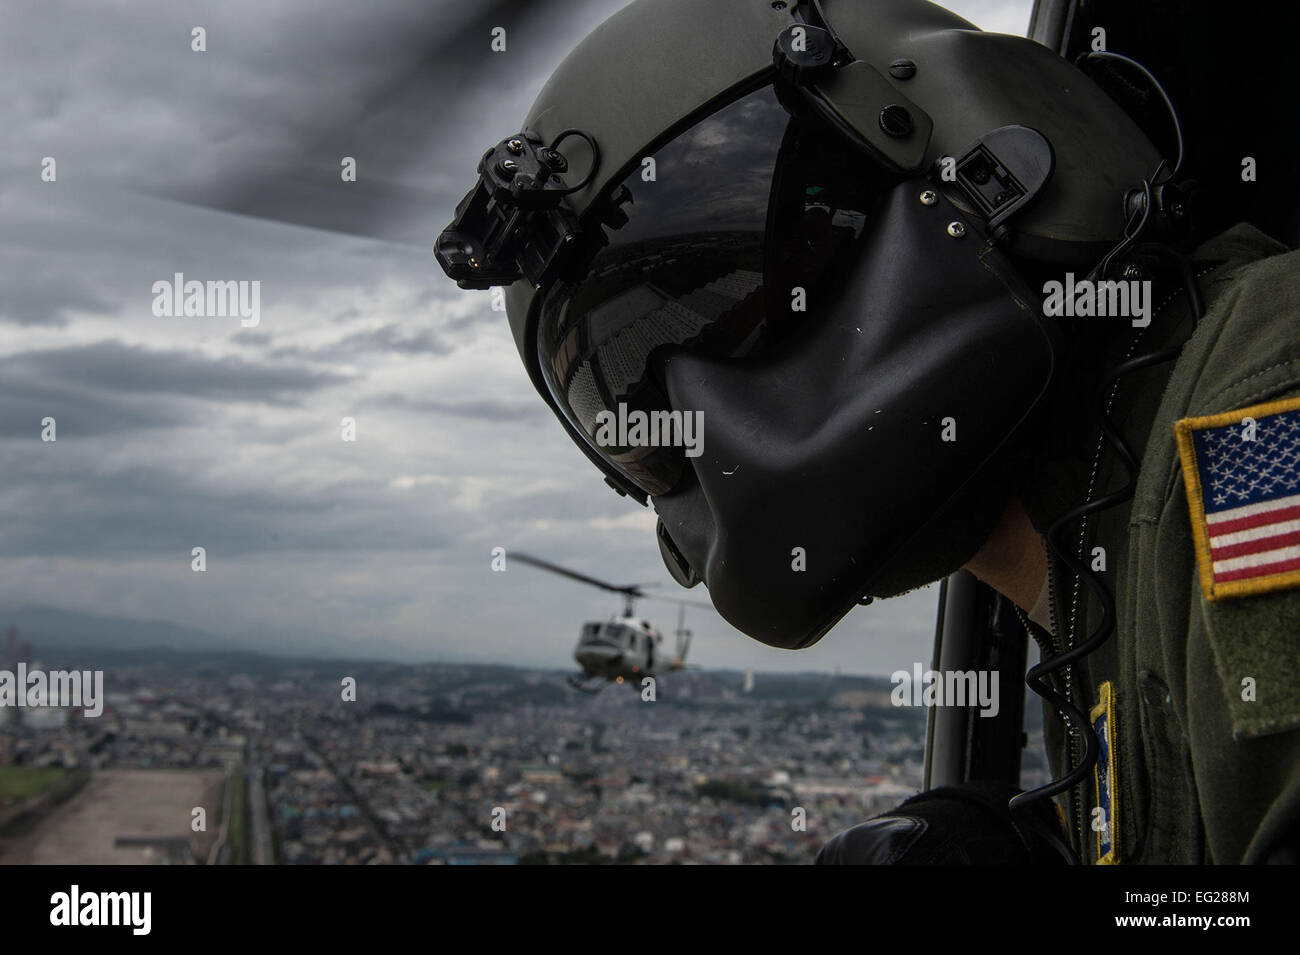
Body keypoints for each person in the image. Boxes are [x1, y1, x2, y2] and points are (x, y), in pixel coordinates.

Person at [436, 0, 1300, 863]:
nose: (705, 419)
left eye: (730, 300)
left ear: (975, 148)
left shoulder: (1261, 399)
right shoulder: (1094, 594)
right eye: (626, 396)